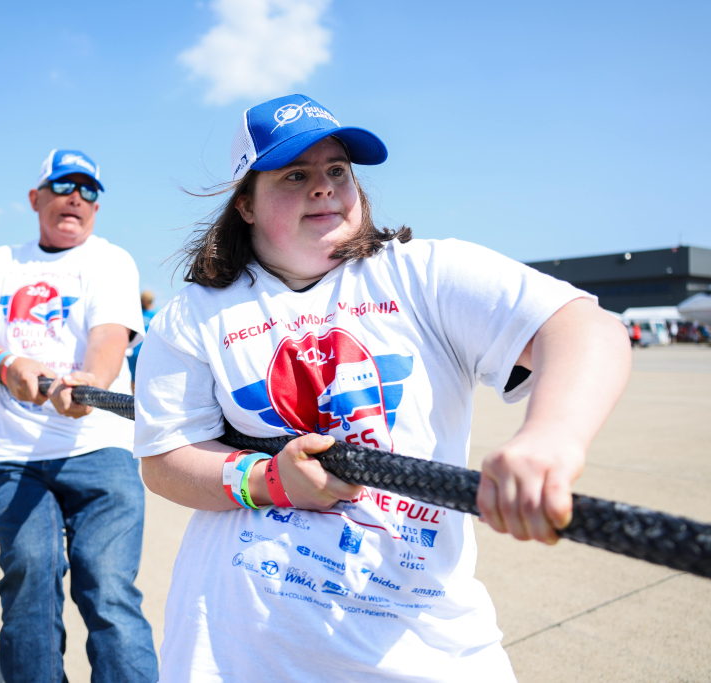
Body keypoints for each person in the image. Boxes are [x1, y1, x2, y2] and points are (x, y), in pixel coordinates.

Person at [133, 94, 632, 681]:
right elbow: (165, 459)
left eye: (337, 170)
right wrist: (269, 479)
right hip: (235, 649)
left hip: (418, 647)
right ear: (245, 203)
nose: (324, 187)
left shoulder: (421, 273)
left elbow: (583, 325)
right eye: (296, 174)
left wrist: (550, 440)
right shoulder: (194, 313)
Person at [0, 149, 158, 682]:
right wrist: (7, 363)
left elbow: (109, 339)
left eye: (89, 190)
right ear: (35, 198)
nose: (76, 196)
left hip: (100, 451)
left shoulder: (110, 260)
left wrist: (88, 384)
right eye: (64, 185)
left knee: (109, 589)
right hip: (12, 457)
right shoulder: (1, 263)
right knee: (29, 580)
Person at [126, 290, 157, 388]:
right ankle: (133, 400)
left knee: (147, 377)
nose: (142, 302)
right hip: (134, 351)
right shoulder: (137, 312)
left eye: (144, 300)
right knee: (133, 377)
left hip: (149, 351)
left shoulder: (156, 313)